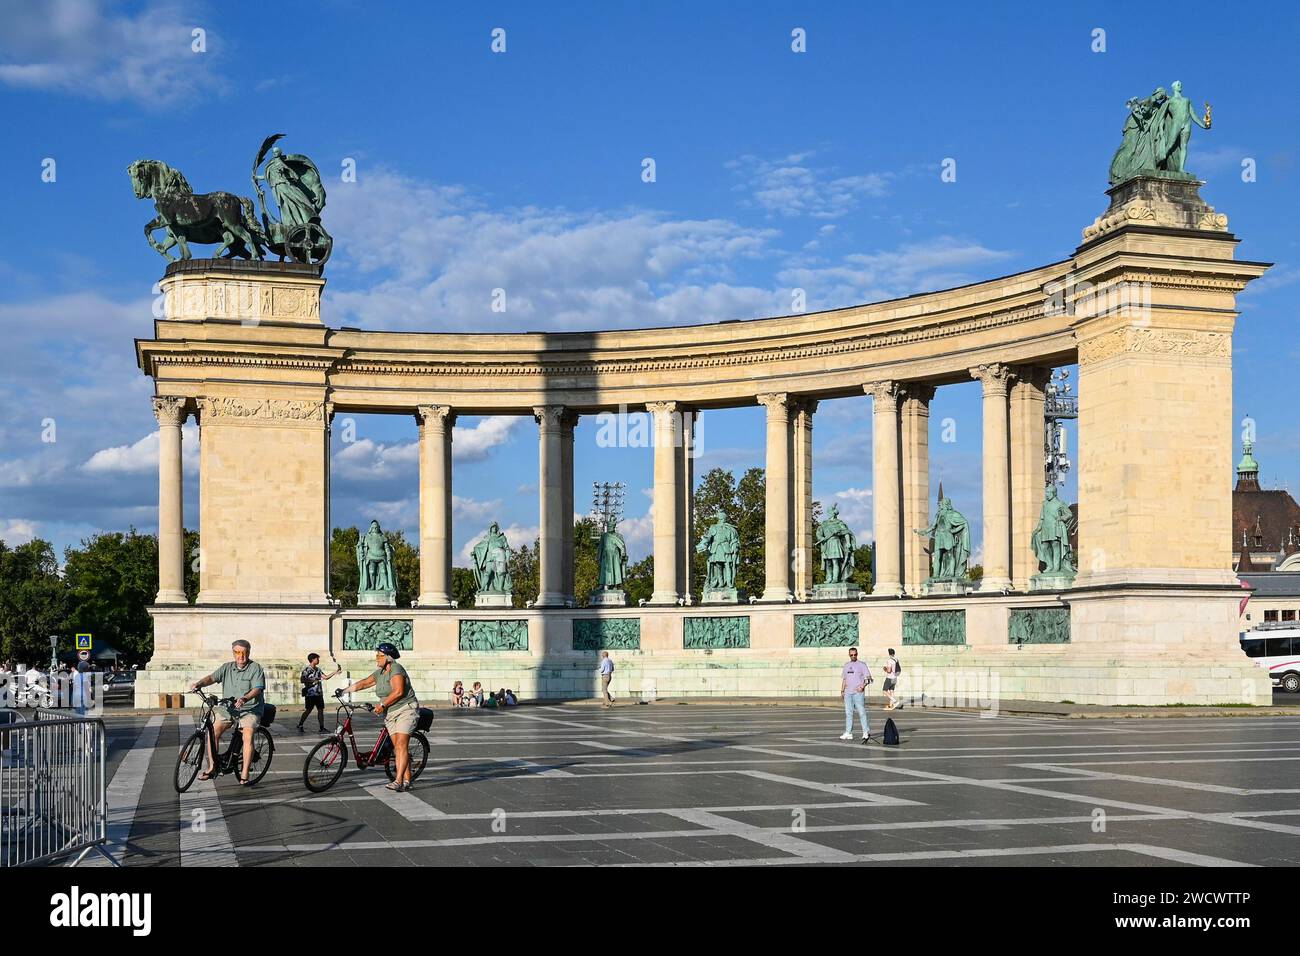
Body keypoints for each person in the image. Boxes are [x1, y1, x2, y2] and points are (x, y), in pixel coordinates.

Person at [339, 643, 419, 792]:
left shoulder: (396, 669)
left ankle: (398, 781)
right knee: (399, 748)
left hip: (406, 710)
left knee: (401, 745)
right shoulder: (380, 672)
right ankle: (408, 780)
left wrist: (382, 705)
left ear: (388, 658)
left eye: (379, 655)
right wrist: (344, 690)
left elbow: (398, 692)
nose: (376, 658)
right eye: (376, 655)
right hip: (390, 712)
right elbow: (364, 683)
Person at [189, 640, 266, 785]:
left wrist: (245, 697)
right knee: (213, 732)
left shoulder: (256, 668)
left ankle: (244, 773)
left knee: (248, 735)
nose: (241, 656)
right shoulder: (227, 667)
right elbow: (212, 678)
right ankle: (212, 767)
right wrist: (198, 684)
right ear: (233, 653)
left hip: (249, 709)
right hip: (229, 709)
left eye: (244, 652)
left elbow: (258, 688)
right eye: (238, 652)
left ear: (249, 652)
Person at [297, 653, 341, 734]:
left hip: (318, 693)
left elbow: (326, 677)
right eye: (317, 659)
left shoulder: (318, 670)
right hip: (310, 694)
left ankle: (321, 727)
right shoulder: (307, 670)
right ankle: (300, 724)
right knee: (308, 710)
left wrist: (335, 672)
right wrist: (313, 680)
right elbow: (302, 680)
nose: (318, 660)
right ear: (312, 659)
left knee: (320, 710)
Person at [839, 646, 871, 741]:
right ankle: (848, 732)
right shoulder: (846, 665)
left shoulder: (862, 665)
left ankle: (865, 732)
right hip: (848, 693)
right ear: (849, 655)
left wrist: (863, 686)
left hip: (858, 693)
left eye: (855, 654)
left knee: (862, 712)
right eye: (851, 655)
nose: (853, 656)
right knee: (848, 713)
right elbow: (844, 679)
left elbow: (868, 678)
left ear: (857, 654)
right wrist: (842, 690)